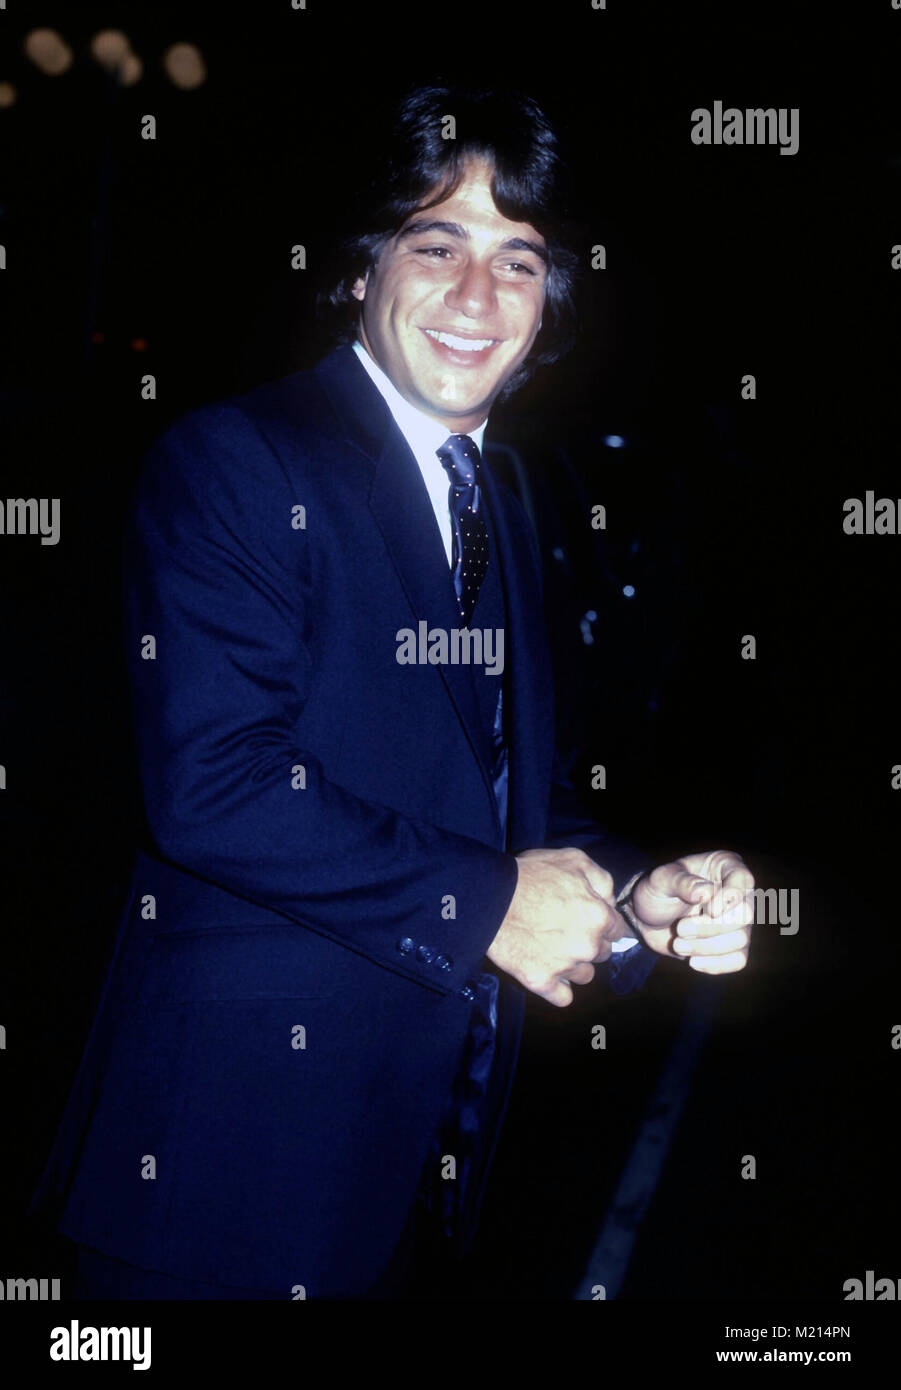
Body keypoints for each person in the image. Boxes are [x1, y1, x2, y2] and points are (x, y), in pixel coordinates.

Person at [28, 84, 753, 1300]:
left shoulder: (498, 493)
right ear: (363, 268)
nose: (478, 299)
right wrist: (485, 909)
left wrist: (636, 897)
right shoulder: (239, 458)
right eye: (437, 243)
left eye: (519, 261)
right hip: (226, 1181)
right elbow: (212, 787)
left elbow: (504, 793)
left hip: (408, 1157)